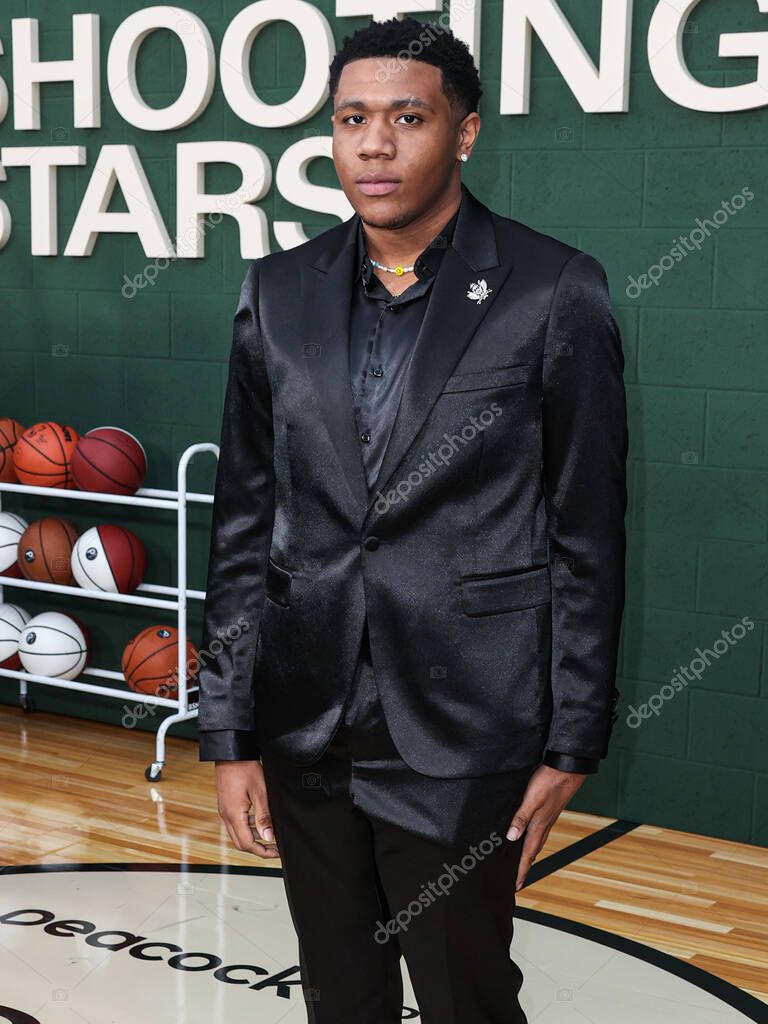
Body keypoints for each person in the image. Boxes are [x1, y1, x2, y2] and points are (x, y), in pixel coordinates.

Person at [197, 15, 627, 1023]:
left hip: (465, 730)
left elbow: (587, 534)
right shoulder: (276, 289)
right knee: (340, 993)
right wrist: (229, 728)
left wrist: (573, 741)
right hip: (306, 718)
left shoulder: (553, 288)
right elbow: (245, 519)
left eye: (407, 117)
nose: (375, 145)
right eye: (352, 119)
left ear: (464, 133)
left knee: (465, 997)